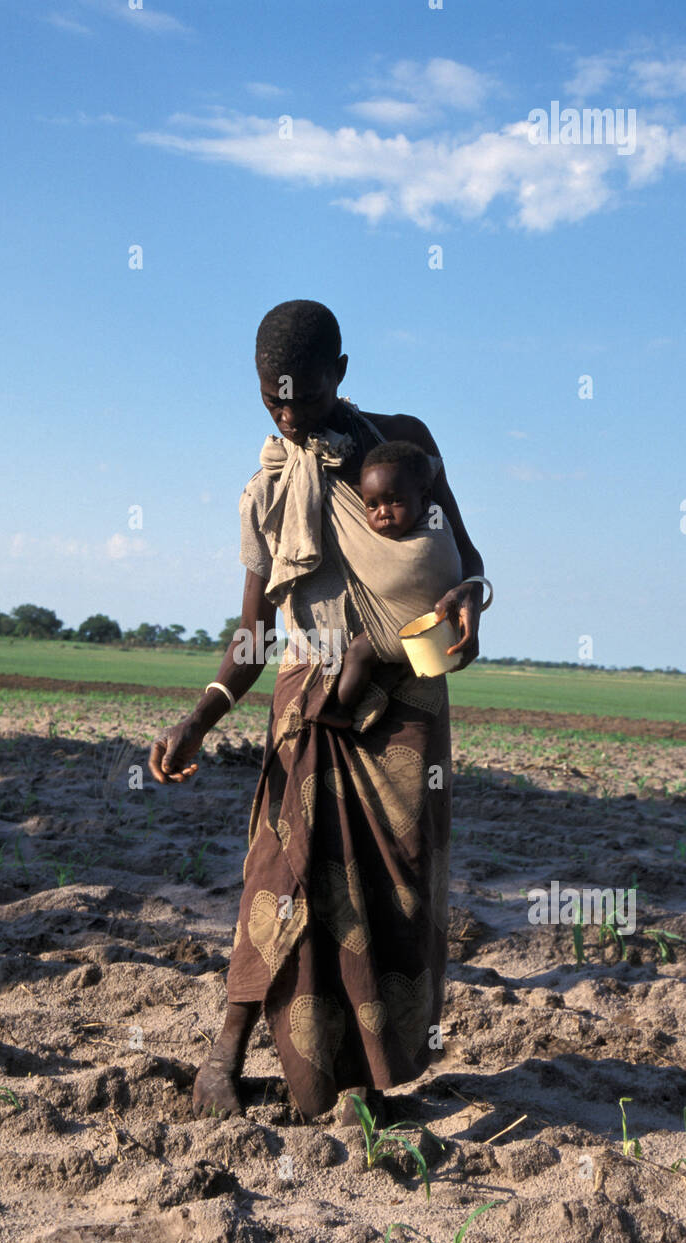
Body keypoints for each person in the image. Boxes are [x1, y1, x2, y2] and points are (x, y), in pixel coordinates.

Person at [149, 300, 488, 1126]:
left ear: (342, 371)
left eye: (300, 394)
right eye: (271, 399)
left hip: (408, 693)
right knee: (279, 876)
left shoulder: (402, 444)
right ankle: (220, 1062)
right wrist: (199, 717)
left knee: (392, 894)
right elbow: (255, 629)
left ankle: (364, 1082)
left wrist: (471, 602)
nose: (288, 412)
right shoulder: (268, 487)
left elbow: (467, 561)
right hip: (308, 695)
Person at [323, 441, 442, 727]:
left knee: (359, 651)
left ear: (425, 502)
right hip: (424, 638)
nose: (383, 513)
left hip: (426, 632)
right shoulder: (417, 521)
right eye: (372, 505)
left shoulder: (435, 531)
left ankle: (339, 710)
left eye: (395, 501)